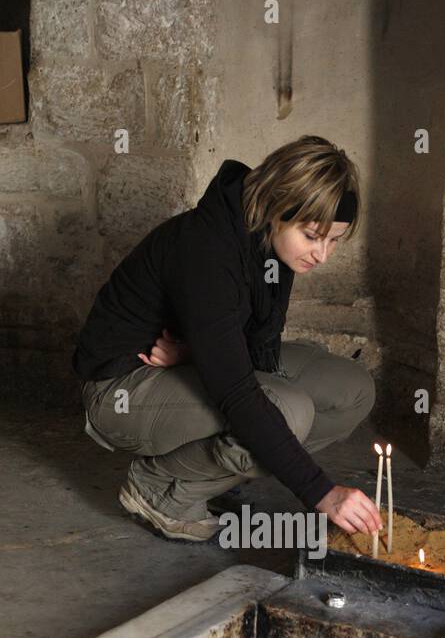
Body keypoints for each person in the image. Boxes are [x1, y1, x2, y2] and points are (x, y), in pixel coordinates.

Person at [74, 134, 382, 543]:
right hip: (120, 388)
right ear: (276, 207)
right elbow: (237, 393)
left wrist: (192, 353)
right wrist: (321, 493)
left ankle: (209, 476)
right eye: (312, 235)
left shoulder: (271, 242)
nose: (322, 255)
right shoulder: (207, 248)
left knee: (352, 389)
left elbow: (258, 347)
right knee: (288, 411)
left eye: (333, 241)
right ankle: (157, 488)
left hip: (184, 362)